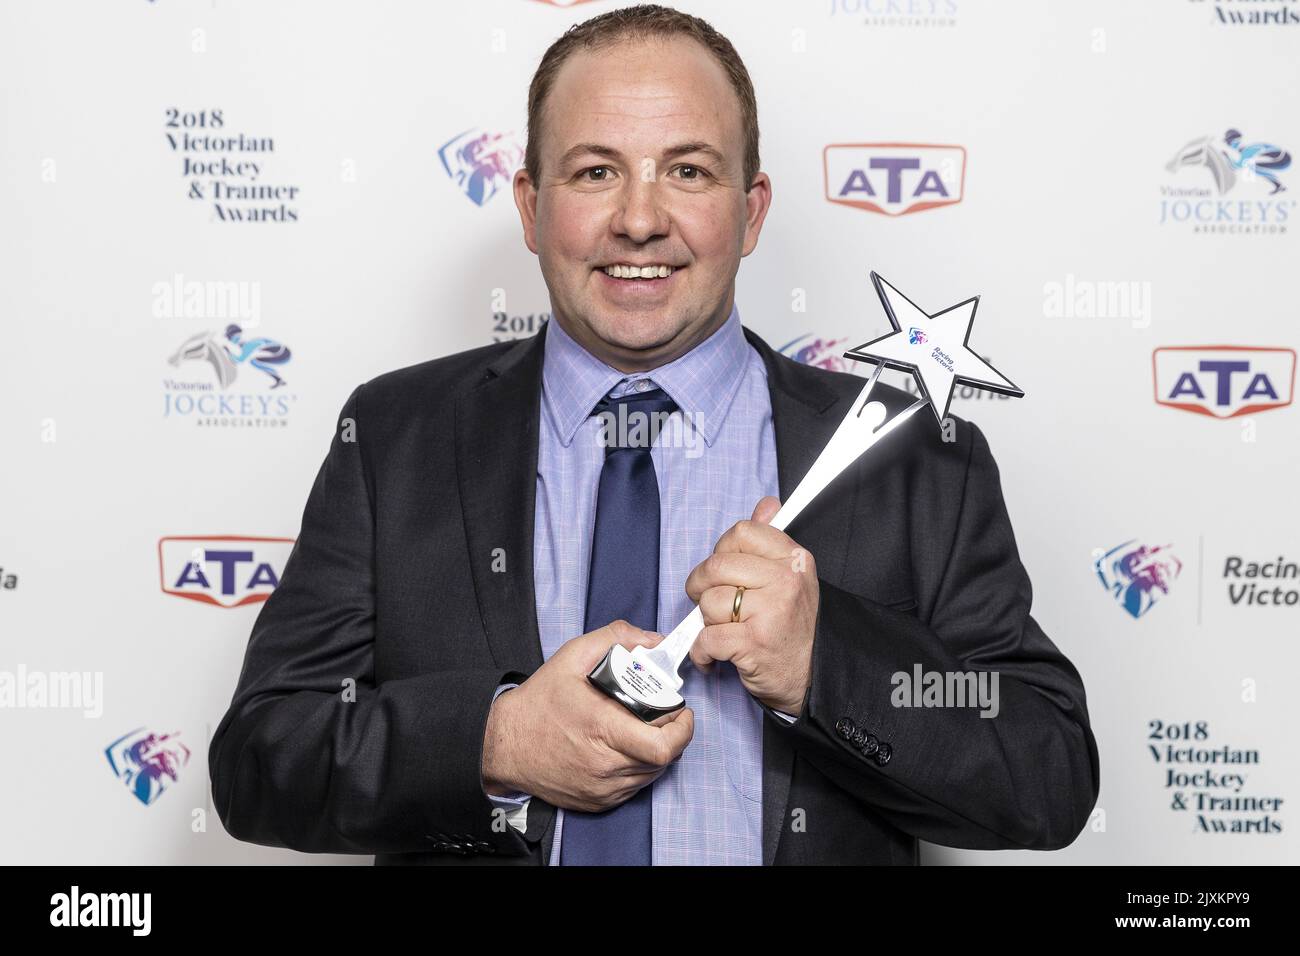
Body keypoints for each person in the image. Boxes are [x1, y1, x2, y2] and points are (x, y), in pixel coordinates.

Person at [209, 3, 1099, 866]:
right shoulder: (398, 438)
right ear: (529, 205)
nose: (639, 220)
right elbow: (261, 756)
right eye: (596, 171)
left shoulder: (911, 457)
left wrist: (822, 662)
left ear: (751, 211)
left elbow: (1047, 772)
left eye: (688, 171)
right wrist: (497, 740)